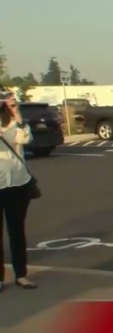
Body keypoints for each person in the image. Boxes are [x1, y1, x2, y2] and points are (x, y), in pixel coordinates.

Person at [0, 91, 36, 291]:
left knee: (17, 232)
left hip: (17, 185)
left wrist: (17, 113)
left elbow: (26, 139)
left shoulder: (13, 123)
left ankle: (21, 275)